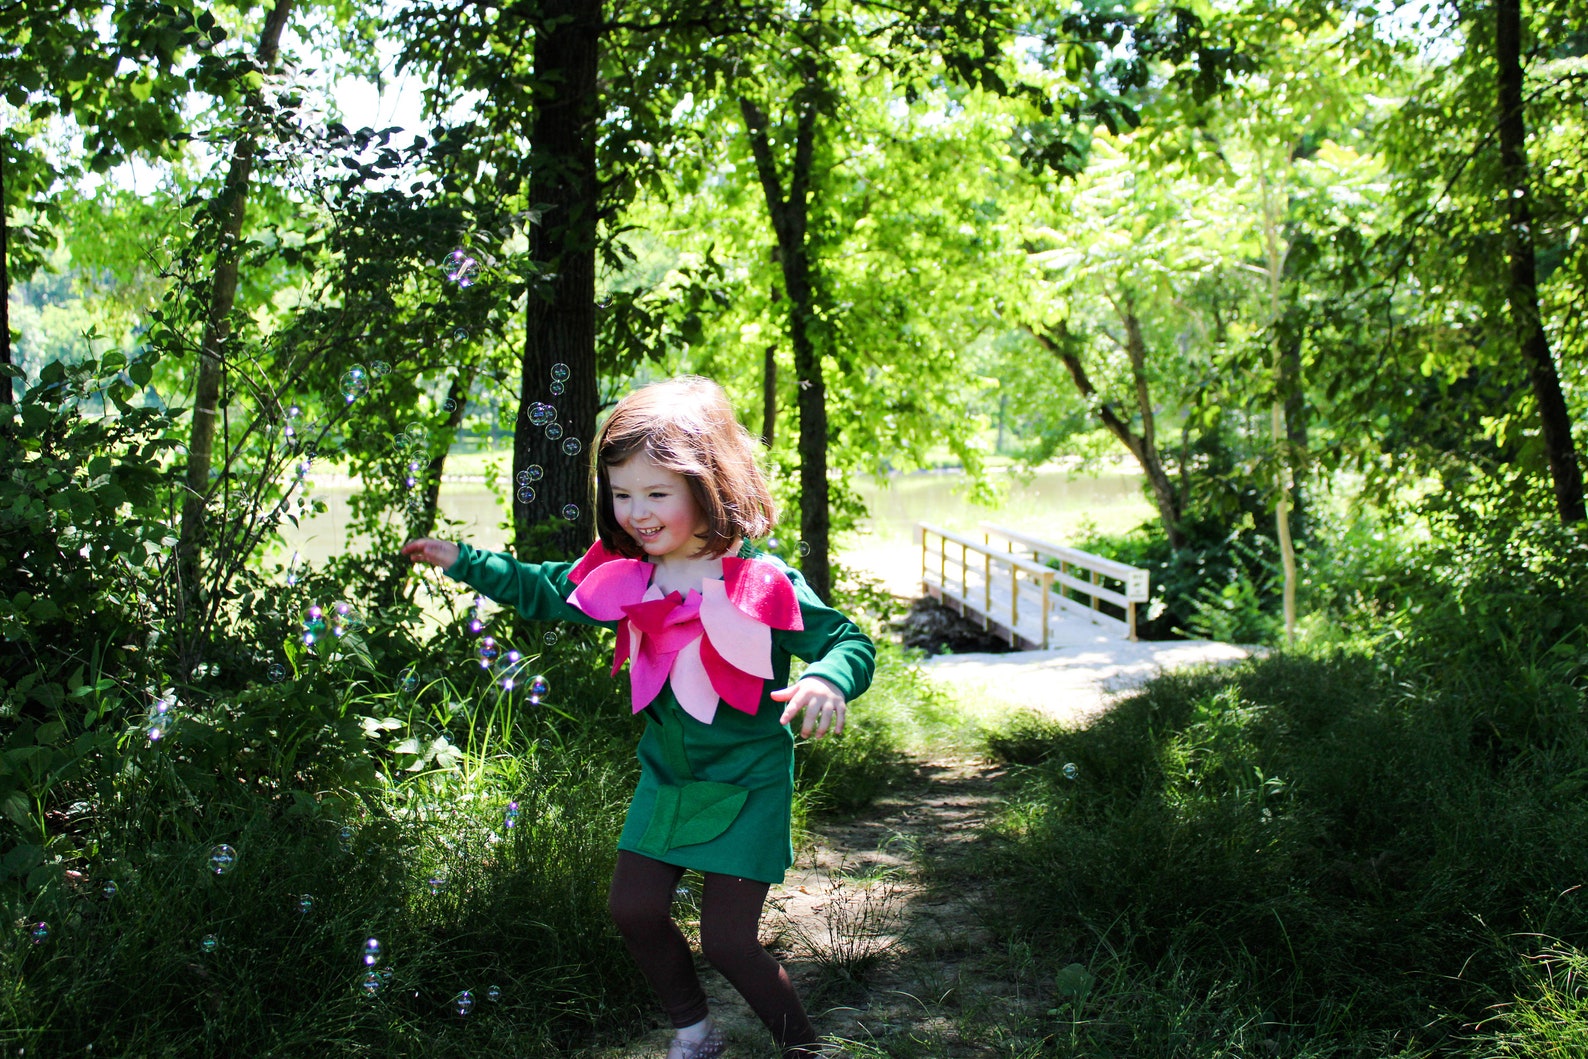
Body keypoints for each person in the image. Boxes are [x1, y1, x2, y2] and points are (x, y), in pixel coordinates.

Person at [402, 376, 874, 1059]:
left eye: (657, 493)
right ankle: (695, 1031)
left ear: (709, 486)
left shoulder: (760, 579)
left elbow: (847, 641)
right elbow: (542, 587)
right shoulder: (627, 573)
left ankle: (803, 1049)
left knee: (730, 942)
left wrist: (829, 677)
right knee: (633, 909)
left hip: (749, 780)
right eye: (622, 494)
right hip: (668, 775)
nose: (638, 512)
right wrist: (462, 560)